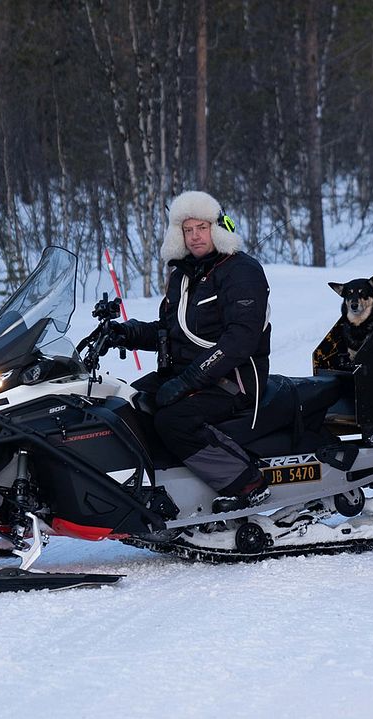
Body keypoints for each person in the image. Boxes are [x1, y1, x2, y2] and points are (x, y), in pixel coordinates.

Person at [103, 190, 272, 512]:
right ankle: (164, 484)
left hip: (233, 379)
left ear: (218, 228)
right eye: (187, 230)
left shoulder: (241, 271)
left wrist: (188, 381)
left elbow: (240, 339)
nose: (195, 237)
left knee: (173, 419)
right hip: (189, 373)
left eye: (202, 228)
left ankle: (247, 482)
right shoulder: (184, 274)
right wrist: (127, 333)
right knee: (126, 405)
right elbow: (174, 330)